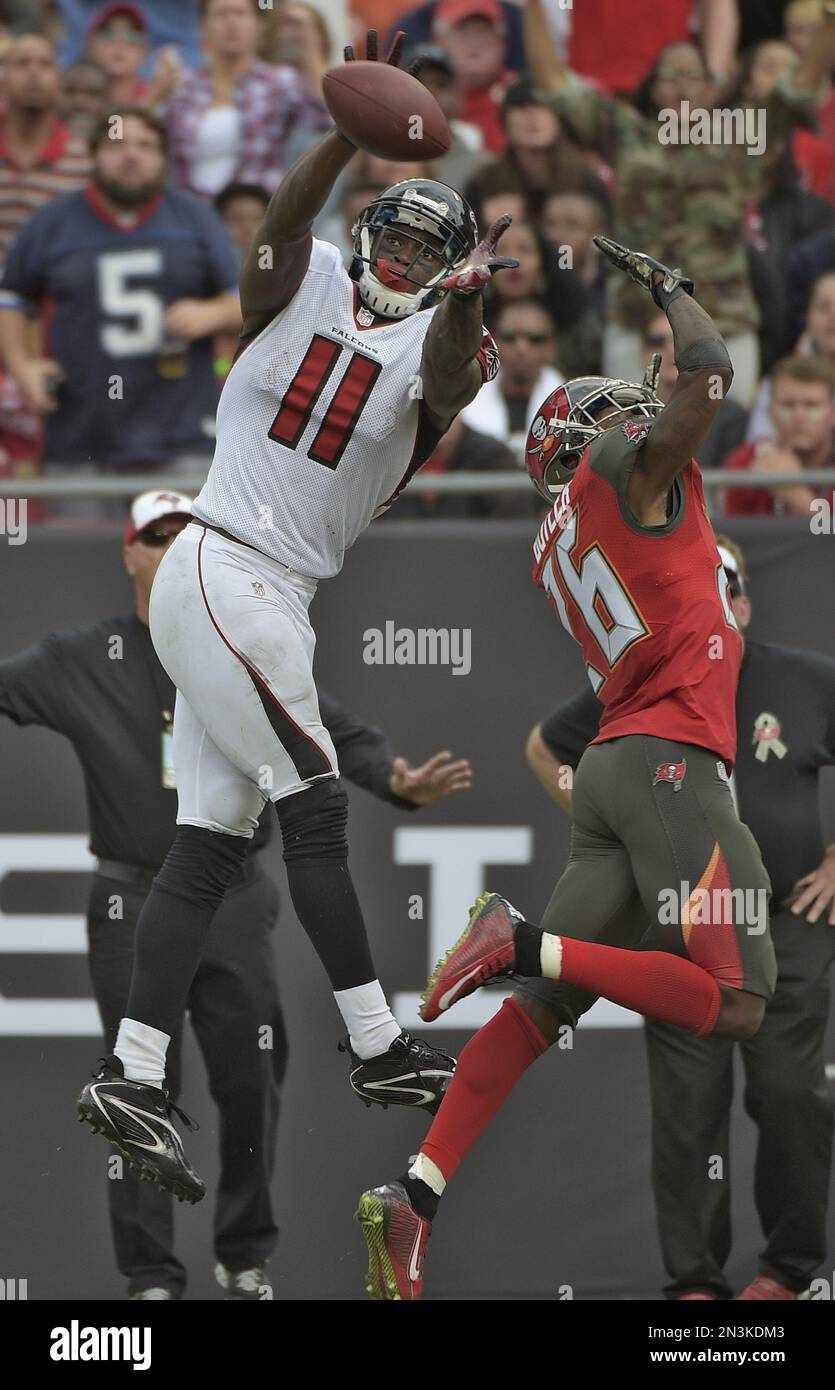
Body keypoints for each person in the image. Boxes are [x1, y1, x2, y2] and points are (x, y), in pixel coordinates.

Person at [75, 31, 519, 1204]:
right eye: (398, 234)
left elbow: (458, 373)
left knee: (211, 845)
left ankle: (131, 1071)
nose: (406, 255)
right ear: (368, 233)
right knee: (314, 805)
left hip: (270, 594)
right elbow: (276, 232)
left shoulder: (444, 346)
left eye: (434, 250)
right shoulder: (305, 273)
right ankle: (375, 1045)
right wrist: (344, 133)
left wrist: (470, 304)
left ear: (447, 271)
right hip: (225, 563)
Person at [356, 236, 779, 1301]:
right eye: (624, 410)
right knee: (736, 1000)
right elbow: (712, 377)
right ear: (599, 434)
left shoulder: (559, 525)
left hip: (616, 767)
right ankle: (519, 936)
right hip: (671, 762)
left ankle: (416, 1195)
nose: (643, 413)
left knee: (543, 1008)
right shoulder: (625, 471)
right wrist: (674, 288)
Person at [0, 486, 471, 1301]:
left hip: (233, 902)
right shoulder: (89, 656)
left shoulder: (233, 638)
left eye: (187, 528)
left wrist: (393, 779)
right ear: (130, 552)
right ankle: (151, 1276)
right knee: (138, 1088)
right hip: (132, 903)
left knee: (251, 1080)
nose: (173, 542)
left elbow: (322, 724)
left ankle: (243, 1253)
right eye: (156, 533)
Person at [528, 535, 835, 1300]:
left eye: (721, 589)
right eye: (691, 590)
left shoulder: (803, 679)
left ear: (742, 603)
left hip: (785, 914)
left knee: (792, 1094)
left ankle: (788, 1272)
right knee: (686, 1110)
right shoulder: (637, 685)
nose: (709, 605)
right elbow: (545, 748)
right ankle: (694, 1284)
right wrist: (613, 834)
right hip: (678, 916)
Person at [523, 0, 835, 405]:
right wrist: (533, 5)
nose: (682, 85)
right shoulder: (625, 133)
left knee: (725, 437)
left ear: (712, 87)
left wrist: (828, 19)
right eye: (671, 75)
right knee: (632, 440)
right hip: (638, 323)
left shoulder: (739, 136)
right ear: (653, 88)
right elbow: (553, 86)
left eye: (694, 74)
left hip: (724, 319)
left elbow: (799, 90)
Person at [0, 107, 241, 510]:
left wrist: (211, 314)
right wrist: (21, 365)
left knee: (180, 565)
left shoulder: (196, 218)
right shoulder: (53, 222)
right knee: (81, 564)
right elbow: (11, 298)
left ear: (164, 158)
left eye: (145, 145)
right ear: (92, 154)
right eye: (117, 143)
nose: (131, 155)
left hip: (181, 433)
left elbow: (248, 299)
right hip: (81, 436)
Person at [162, 0, 331, 198]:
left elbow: (325, 121)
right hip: (196, 215)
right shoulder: (183, 86)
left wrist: (310, 45)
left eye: (240, 14)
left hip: (256, 214)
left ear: (258, 25)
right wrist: (155, 93)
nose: (231, 23)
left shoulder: (279, 81)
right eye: (221, 14)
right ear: (203, 27)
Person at [0, 28, 91, 272]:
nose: (34, 71)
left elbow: (119, 128)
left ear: (59, 81)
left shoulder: (83, 157)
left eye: (45, 64)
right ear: (4, 79)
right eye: (22, 63)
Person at [636, 307, 748, 471]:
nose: (670, 350)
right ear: (642, 353)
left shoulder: (729, 416)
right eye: (657, 341)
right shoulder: (625, 411)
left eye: (681, 341)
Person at [723, 356, 835, 516]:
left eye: (812, 406)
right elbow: (730, 538)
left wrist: (795, 494)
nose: (799, 416)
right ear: (770, 413)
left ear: (832, 413)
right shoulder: (745, 463)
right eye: (788, 406)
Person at [460, 297, 563, 459]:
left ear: (552, 348)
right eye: (509, 338)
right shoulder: (463, 401)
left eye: (535, 339)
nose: (521, 348)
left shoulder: (571, 407)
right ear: (492, 345)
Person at [432, 0, 516, 153]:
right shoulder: (422, 97)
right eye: (463, 31)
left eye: (484, 31)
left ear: (502, 42)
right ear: (439, 40)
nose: (475, 42)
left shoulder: (522, 94)